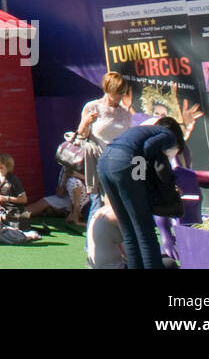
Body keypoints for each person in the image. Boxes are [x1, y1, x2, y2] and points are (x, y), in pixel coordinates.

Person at [94, 116, 185, 270]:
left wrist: (140, 180)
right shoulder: (168, 136)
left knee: (128, 231)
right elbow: (147, 150)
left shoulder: (141, 132)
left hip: (104, 163)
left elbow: (141, 154)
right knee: (145, 231)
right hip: (123, 162)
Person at [78, 71, 133, 218]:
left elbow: (128, 138)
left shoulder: (125, 113)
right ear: (109, 90)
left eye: (124, 92)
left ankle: (116, 240)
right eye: (119, 92)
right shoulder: (92, 107)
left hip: (118, 163)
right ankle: (92, 241)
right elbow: (81, 134)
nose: (122, 95)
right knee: (97, 204)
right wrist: (85, 123)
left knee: (119, 206)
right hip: (98, 161)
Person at [0, 153, 40, 244]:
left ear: (8, 166)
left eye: (1, 164)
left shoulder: (14, 180)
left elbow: (24, 199)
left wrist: (6, 198)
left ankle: (26, 235)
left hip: (13, 211)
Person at [86, 199, 126, 269]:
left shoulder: (101, 211)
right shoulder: (116, 214)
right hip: (113, 266)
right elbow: (129, 249)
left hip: (95, 265)